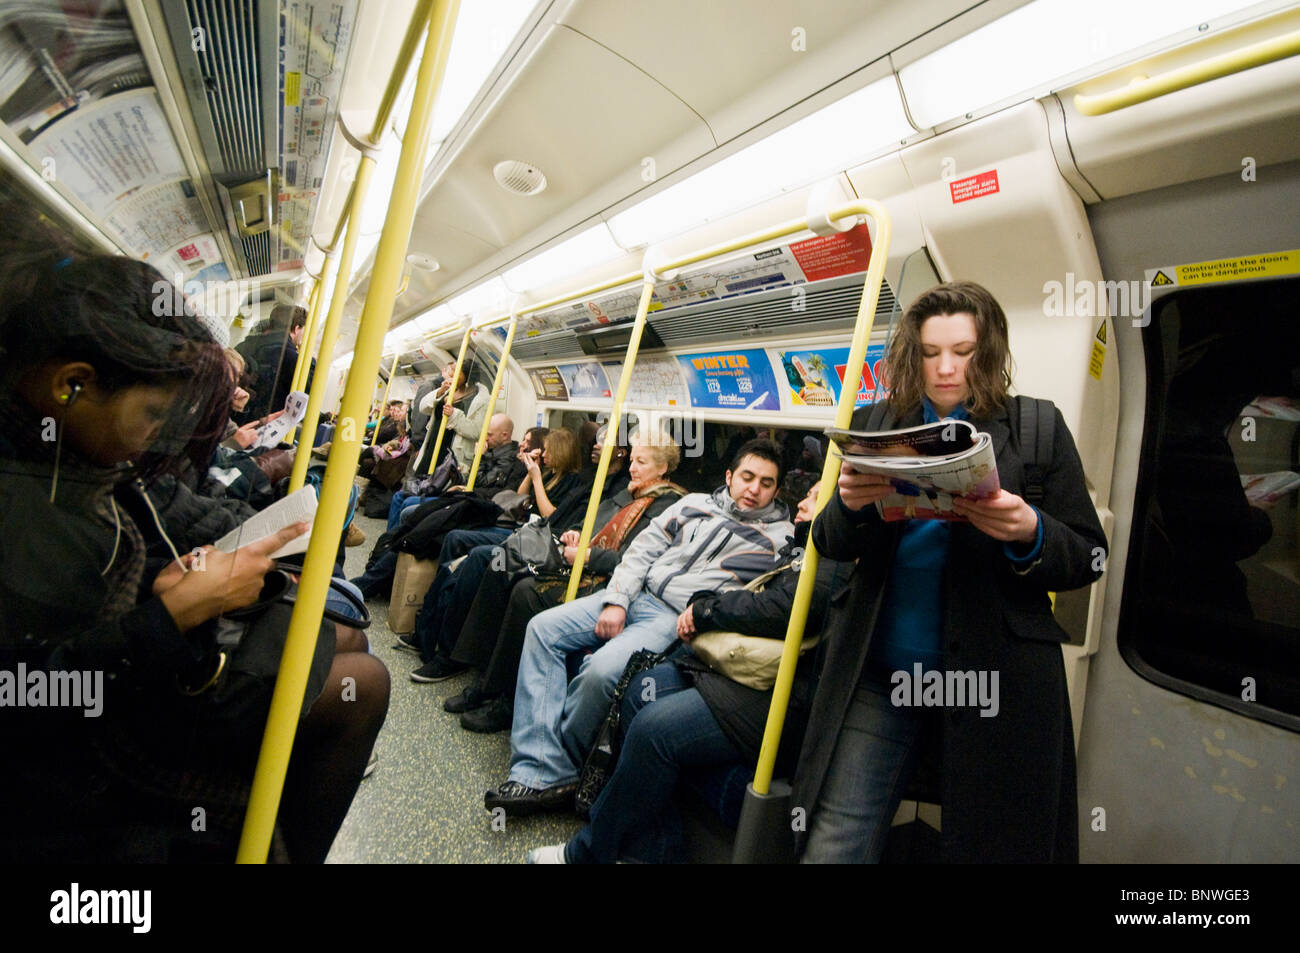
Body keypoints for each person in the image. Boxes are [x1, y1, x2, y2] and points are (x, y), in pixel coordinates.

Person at [0, 240, 389, 863]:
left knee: (341, 645)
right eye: (154, 412)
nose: (159, 433)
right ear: (73, 384)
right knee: (362, 681)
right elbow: (29, 696)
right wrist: (171, 616)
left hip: (134, 666)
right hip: (91, 762)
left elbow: (150, 532)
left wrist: (177, 588)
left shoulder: (78, 461)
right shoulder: (29, 508)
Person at [793, 280, 1107, 863]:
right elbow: (829, 541)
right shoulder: (875, 421)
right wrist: (850, 505)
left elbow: (1089, 553)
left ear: (986, 353)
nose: (944, 369)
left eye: (961, 353)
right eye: (931, 353)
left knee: (994, 847)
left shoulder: (1036, 428)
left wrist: (1029, 532)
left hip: (995, 680)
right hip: (884, 674)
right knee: (835, 842)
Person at [527, 484, 848, 862]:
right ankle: (657, 850)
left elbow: (778, 608)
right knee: (639, 688)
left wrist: (706, 608)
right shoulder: (798, 548)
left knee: (653, 729)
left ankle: (585, 852)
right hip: (735, 669)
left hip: (774, 693)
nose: (803, 500)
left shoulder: (833, 561)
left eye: (813, 496)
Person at [484, 438, 793, 815]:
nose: (754, 490)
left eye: (766, 483)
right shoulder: (693, 504)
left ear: (776, 490)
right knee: (541, 629)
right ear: (729, 476)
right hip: (635, 593)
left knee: (599, 671)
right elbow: (642, 551)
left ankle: (551, 769)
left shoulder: (781, 540)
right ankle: (545, 766)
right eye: (747, 477)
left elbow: (757, 601)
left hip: (673, 617)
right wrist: (617, 600)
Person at [444, 439, 687, 732]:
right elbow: (596, 528)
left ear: (662, 468)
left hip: (613, 582)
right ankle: (481, 677)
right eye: (633, 460)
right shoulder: (630, 492)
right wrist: (577, 535)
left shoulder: (667, 504)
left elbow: (633, 559)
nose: (633, 468)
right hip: (583, 562)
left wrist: (587, 555)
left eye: (642, 462)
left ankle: (506, 700)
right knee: (503, 568)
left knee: (526, 591)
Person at [403, 427, 590, 680]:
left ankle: (446, 651)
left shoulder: (573, 482)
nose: (543, 455)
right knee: (455, 541)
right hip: (521, 529)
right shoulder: (547, 473)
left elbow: (551, 517)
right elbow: (520, 497)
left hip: (536, 538)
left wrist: (536, 478)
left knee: (477, 557)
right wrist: (531, 471)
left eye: (546, 451)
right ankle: (428, 628)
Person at [232, 303, 312, 424]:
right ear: (296, 328)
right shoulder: (294, 360)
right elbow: (306, 398)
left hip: (231, 418)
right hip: (264, 427)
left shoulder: (243, 346)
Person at [412, 364, 488, 478]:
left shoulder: (479, 399)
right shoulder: (449, 390)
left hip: (451, 450)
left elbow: (476, 431)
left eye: (456, 371)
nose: (452, 374)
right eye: (452, 370)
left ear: (468, 376)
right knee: (421, 480)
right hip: (433, 444)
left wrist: (454, 415)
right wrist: (441, 391)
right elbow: (423, 408)